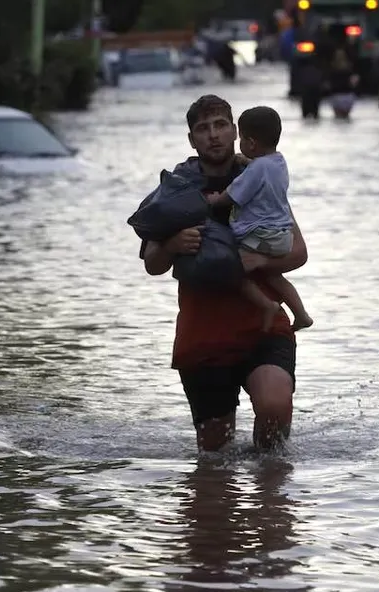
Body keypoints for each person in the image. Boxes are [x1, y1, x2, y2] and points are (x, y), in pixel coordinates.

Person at [140, 95, 307, 452]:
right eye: (203, 129)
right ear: (192, 140)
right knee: (215, 458)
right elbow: (153, 264)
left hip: (263, 324)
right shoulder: (177, 188)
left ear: (235, 131)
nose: (213, 135)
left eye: (220, 126)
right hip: (204, 334)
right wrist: (172, 245)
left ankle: (271, 498)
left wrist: (260, 263)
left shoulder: (261, 173)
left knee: (275, 411)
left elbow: (298, 252)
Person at [204, 106, 313, 333]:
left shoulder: (256, 169)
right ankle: (301, 314)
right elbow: (261, 170)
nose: (240, 144)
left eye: (242, 139)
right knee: (274, 275)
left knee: (234, 267)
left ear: (251, 143)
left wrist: (215, 200)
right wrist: (248, 161)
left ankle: (267, 305)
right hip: (282, 236)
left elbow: (234, 193)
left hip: (261, 235)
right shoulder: (278, 162)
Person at [326, 49, 357, 119]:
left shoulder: (332, 67)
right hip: (347, 96)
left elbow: (329, 83)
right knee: (346, 117)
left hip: (336, 96)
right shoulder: (349, 67)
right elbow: (353, 81)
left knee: (338, 118)